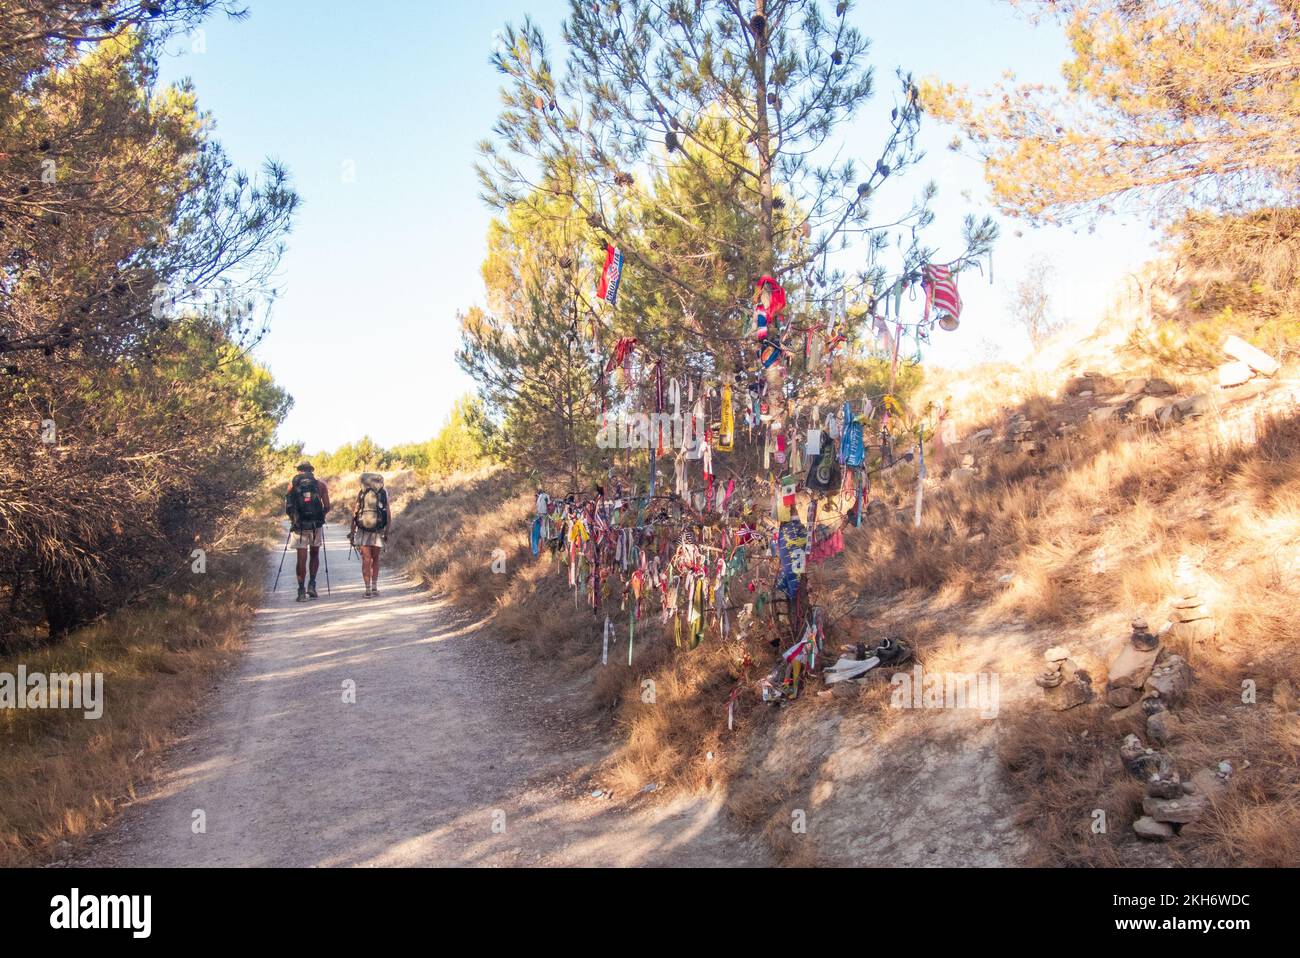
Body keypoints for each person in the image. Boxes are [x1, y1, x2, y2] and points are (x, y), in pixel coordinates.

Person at [285, 462, 331, 602]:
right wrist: (320, 517)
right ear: (312, 471)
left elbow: (288, 507)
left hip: (300, 526)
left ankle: (301, 591)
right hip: (315, 525)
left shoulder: (292, 485)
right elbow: (327, 506)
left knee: (301, 558)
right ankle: (312, 584)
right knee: (315, 554)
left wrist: (294, 519)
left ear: (299, 471)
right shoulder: (321, 485)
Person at [350, 472, 390, 598]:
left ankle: (367, 589)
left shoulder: (362, 493)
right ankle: (374, 587)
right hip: (378, 530)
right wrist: (387, 531)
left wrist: (352, 532)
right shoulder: (383, 493)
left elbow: (355, 513)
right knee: (376, 559)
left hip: (363, 530)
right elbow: (388, 514)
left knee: (366, 560)